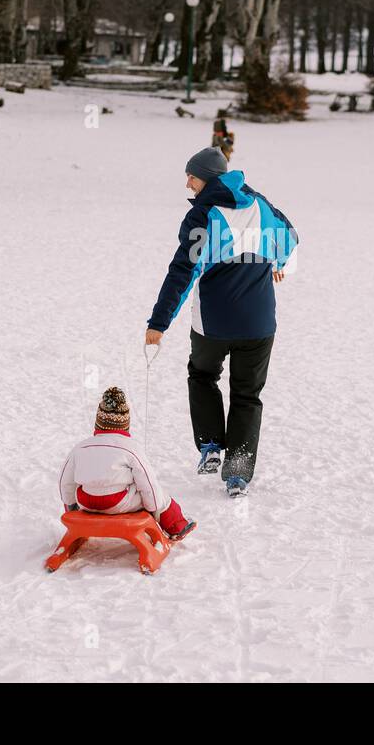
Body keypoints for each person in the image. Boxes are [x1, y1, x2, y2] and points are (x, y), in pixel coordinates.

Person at [145, 147, 298, 498]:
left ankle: (212, 445)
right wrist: (278, 262)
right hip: (259, 324)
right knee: (247, 394)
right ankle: (238, 473)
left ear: (208, 178)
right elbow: (290, 237)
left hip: (213, 323)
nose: (188, 182)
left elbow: (182, 272)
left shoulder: (204, 215)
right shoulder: (260, 205)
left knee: (202, 375)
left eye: (192, 176)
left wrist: (159, 322)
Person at [57, 386, 195, 541]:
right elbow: (148, 482)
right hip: (118, 503)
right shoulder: (130, 448)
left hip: (86, 502)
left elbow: (65, 481)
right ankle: (177, 526)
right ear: (125, 424)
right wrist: (152, 509)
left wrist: (71, 507)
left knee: (83, 484)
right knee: (160, 494)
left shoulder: (81, 447)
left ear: (98, 422)